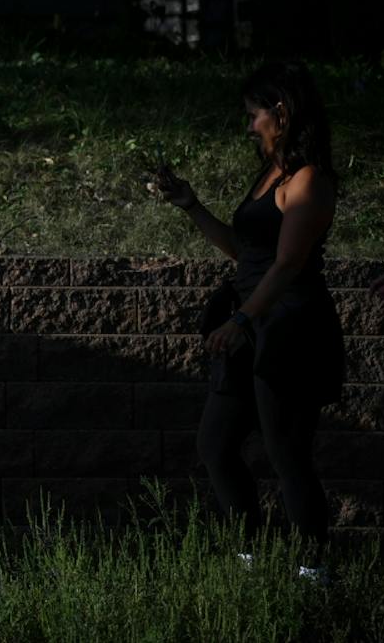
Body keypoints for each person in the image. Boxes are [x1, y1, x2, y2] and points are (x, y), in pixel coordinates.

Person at [151, 61, 345, 567]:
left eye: (254, 114)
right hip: (253, 321)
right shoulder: (271, 174)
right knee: (215, 444)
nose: (249, 125)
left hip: (289, 326)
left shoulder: (309, 180)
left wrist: (241, 321)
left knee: (287, 455)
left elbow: (288, 265)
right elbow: (246, 250)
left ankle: (312, 571)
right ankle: (250, 559)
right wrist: (191, 205)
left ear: (281, 112)